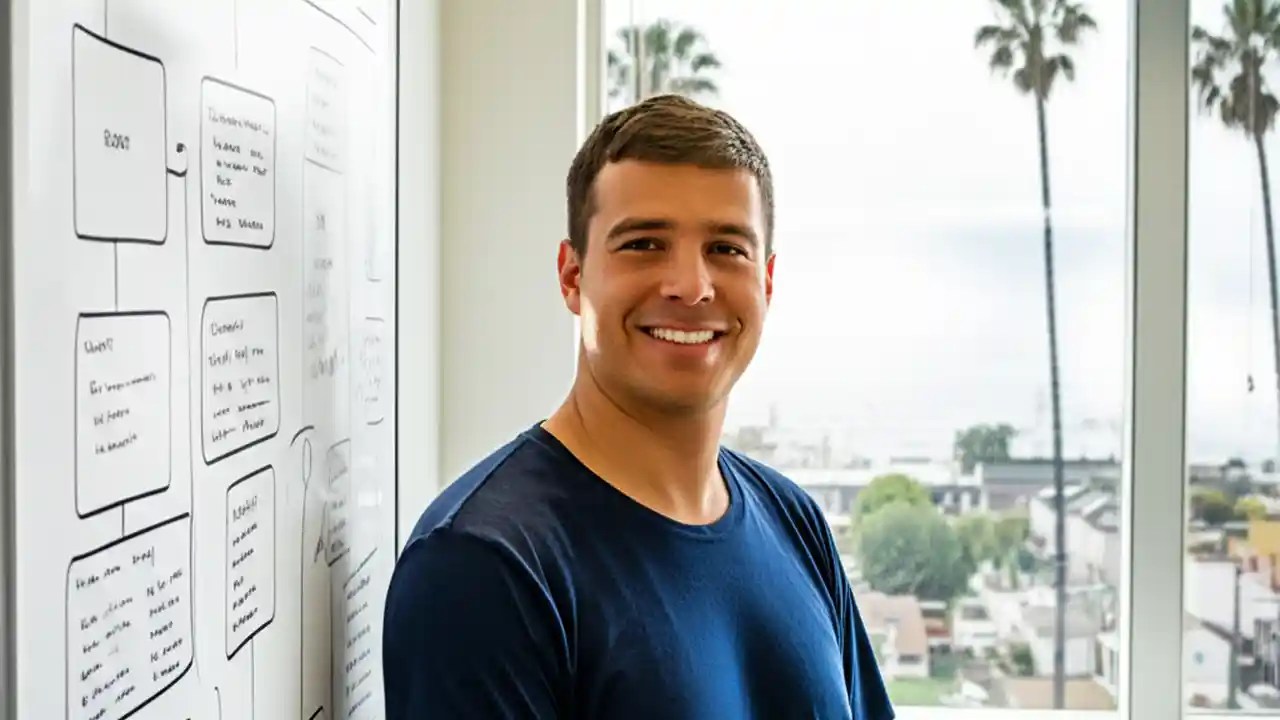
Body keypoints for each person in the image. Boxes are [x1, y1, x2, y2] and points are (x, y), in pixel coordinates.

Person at [382, 94, 894, 719]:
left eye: (727, 248)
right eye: (645, 244)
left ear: (766, 280)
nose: (690, 286)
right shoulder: (482, 566)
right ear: (572, 276)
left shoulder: (795, 523)